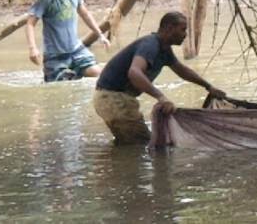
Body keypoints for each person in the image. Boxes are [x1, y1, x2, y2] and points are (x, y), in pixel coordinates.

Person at [93, 11, 226, 145]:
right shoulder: (151, 44)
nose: (185, 35)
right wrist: (161, 97)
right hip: (112, 99)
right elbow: (134, 73)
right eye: (182, 29)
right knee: (143, 144)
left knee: (128, 144)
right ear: (169, 28)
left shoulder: (164, 49)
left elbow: (182, 70)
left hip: (112, 99)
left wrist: (208, 86)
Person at [25, 0, 110, 82]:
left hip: (76, 50)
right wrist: (32, 48)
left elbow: (85, 14)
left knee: (97, 73)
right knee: (65, 80)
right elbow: (30, 24)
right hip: (55, 55)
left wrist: (101, 35)